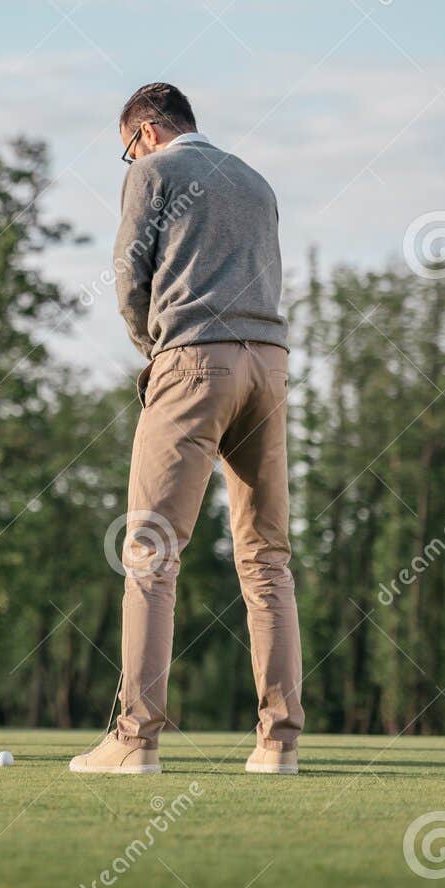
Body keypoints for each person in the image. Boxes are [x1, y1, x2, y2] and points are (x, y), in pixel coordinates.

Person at [71, 82, 304, 775]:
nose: (128, 160)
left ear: (144, 131)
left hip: (193, 360)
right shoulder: (256, 181)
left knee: (151, 552)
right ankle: (278, 744)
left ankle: (136, 740)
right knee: (267, 559)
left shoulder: (153, 171)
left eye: (125, 150)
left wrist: (156, 348)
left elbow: (128, 279)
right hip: (269, 366)